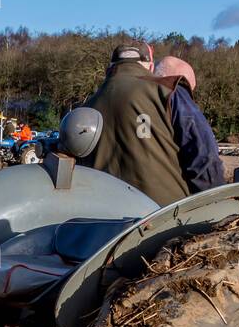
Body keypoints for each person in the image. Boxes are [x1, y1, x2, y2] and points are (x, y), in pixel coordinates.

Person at [80, 43, 190, 207]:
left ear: (109, 68)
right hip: (166, 216)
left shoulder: (84, 108)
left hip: (103, 216)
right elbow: (204, 156)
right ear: (151, 67)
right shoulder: (168, 91)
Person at [153, 56, 224, 194]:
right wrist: (217, 199)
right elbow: (204, 157)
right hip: (165, 205)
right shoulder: (175, 94)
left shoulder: (128, 98)